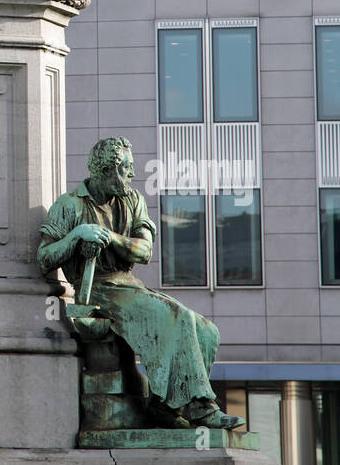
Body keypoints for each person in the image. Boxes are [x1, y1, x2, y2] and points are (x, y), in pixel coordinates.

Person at [37, 136, 244, 431]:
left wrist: (112, 238)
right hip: (97, 290)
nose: (132, 174)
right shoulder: (69, 205)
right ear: (106, 170)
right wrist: (77, 235)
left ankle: (163, 405)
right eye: (127, 168)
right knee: (179, 318)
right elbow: (44, 258)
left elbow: (144, 251)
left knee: (207, 331)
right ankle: (200, 408)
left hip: (129, 285)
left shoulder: (133, 200)